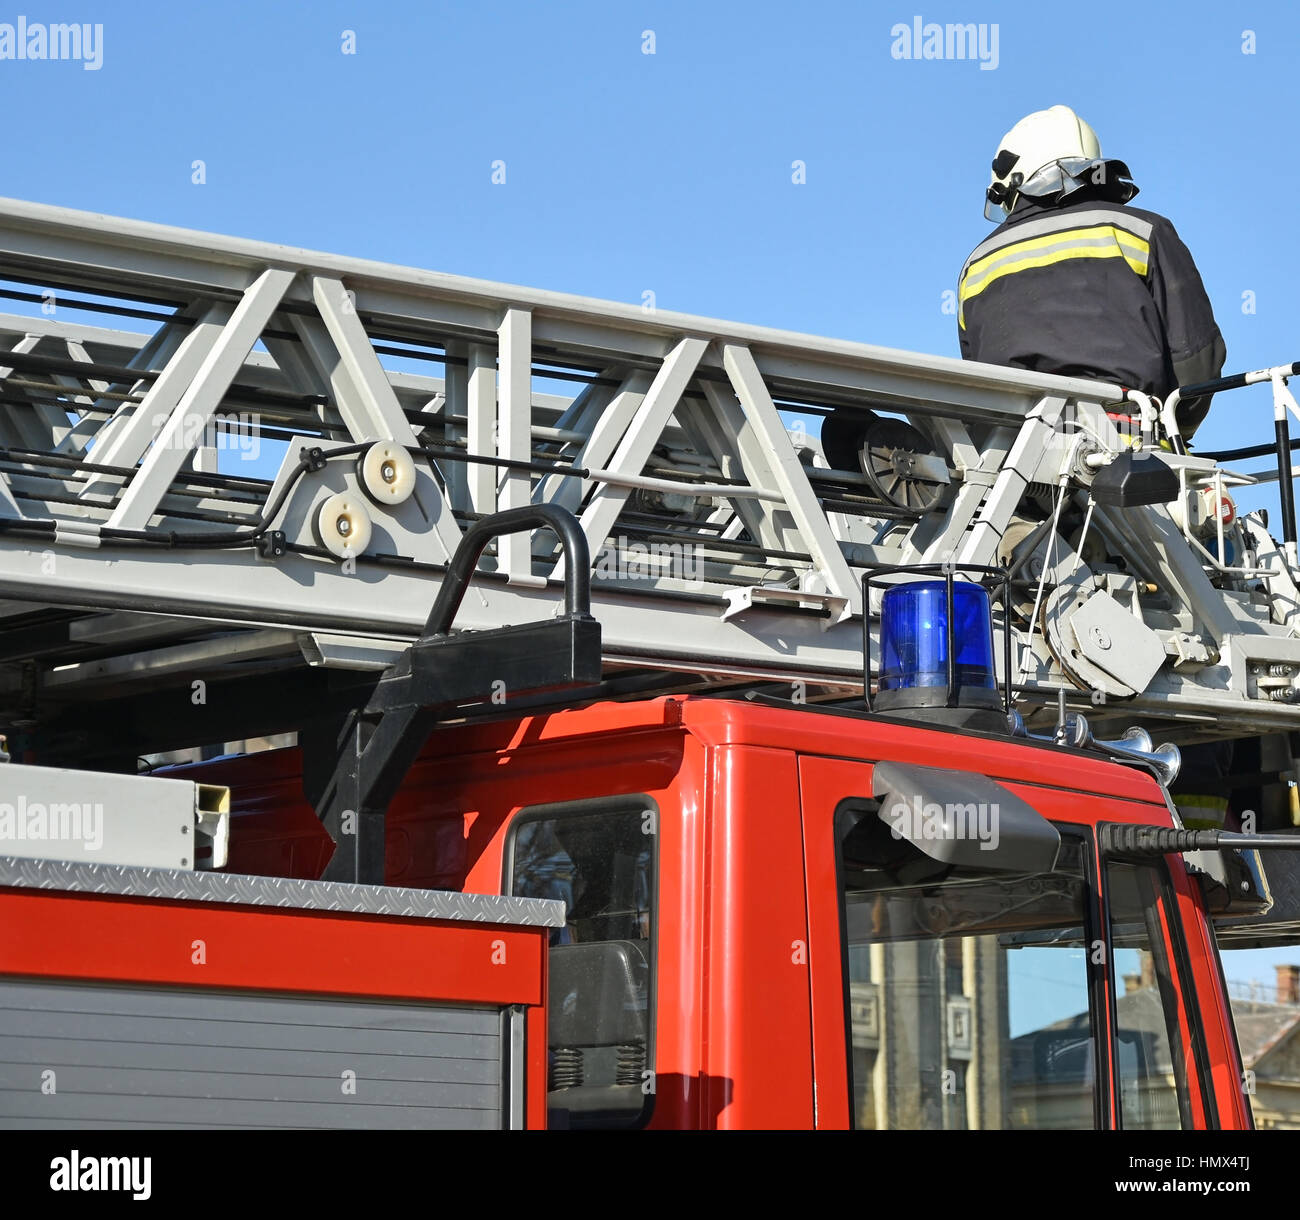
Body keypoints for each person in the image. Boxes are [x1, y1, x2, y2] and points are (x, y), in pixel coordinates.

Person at [958, 104, 1226, 441]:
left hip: (1006, 462)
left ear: (1015, 178)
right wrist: (1175, 430)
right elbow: (1197, 360)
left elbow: (974, 374)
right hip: (1127, 447)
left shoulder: (977, 264)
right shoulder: (1143, 230)